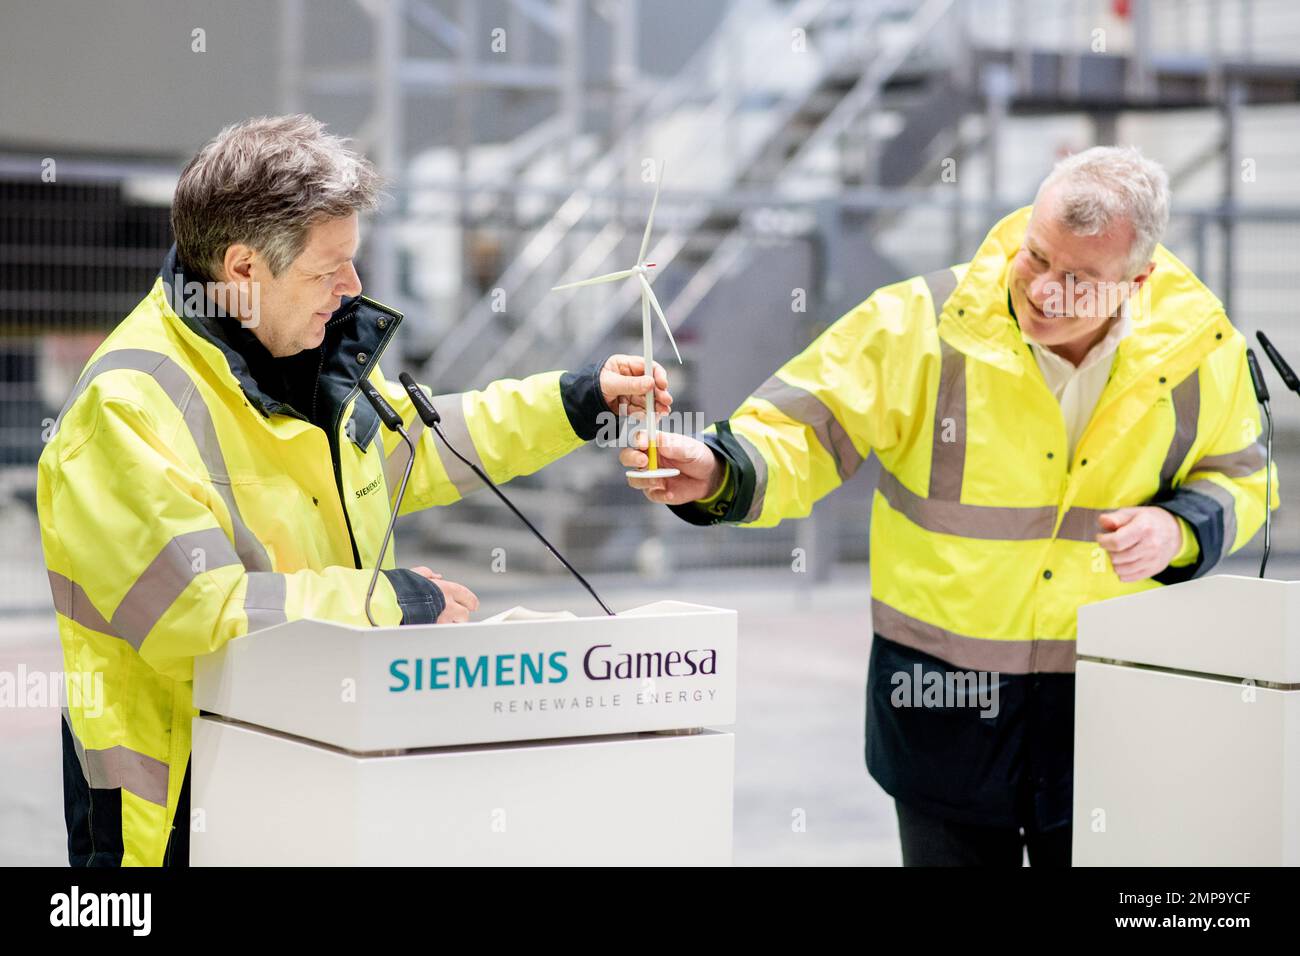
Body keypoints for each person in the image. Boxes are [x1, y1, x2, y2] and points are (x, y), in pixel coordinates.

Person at [39, 114, 670, 866]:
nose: (353, 289)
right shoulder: (124, 409)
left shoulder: (295, 353)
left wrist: (573, 402)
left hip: (313, 753)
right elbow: (192, 612)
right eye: (327, 269)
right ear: (243, 271)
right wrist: (387, 604)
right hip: (178, 803)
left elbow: (413, 447)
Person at [620, 145, 1277, 866]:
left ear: (1138, 279)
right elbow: (804, 429)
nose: (1045, 292)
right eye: (1036, 256)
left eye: (1080, 279)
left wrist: (1178, 528)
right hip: (944, 706)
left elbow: (1243, 477)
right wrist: (719, 469)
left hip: (1111, 707)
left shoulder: (1195, 350)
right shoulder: (920, 324)